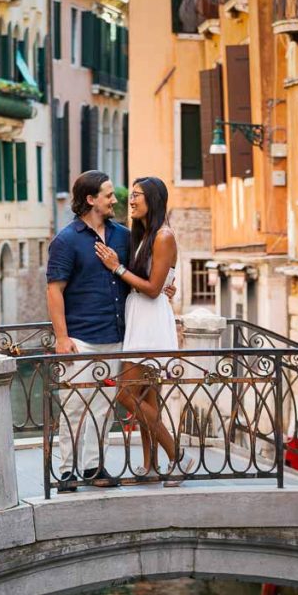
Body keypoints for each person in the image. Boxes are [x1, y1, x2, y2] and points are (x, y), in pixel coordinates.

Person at [94, 177, 195, 487]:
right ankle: (150, 467)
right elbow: (158, 283)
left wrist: (117, 268)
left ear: (152, 198)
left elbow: (152, 289)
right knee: (148, 398)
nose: (131, 200)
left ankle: (179, 456)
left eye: (136, 195)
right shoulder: (143, 235)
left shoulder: (164, 236)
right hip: (140, 319)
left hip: (151, 324)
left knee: (125, 393)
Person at [45, 171, 127, 491]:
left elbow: (137, 272)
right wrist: (62, 338)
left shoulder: (122, 236)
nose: (114, 200)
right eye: (108, 195)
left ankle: (94, 468)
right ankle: (67, 472)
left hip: (115, 336)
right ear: (91, 200)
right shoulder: (65, 240)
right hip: (79, 339)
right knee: (74, 406)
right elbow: (55, 291)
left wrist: (166, 288)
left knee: (103, 408)